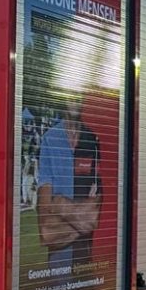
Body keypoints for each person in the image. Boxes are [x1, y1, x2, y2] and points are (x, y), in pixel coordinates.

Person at [35, 96, 102, 273]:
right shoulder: (51, 137)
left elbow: (95, 184)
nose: (75, 103)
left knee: (83, 273)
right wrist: (47, 224)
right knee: (58, 277)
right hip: (61, 224)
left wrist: (85, 214)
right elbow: (45, 182)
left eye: (79, 99)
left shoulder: (91, 138)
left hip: (83, 223)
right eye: (71, 98)